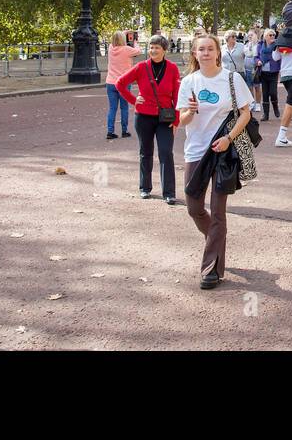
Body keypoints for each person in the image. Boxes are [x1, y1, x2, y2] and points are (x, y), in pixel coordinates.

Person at [177, 33, 253, 289]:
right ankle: (216, 240)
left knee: (218, 211)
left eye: (210, 49)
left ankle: (210, 270)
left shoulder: (232, 79)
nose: (206, 53)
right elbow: (181, 121)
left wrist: (229, 139)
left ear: (218, 52)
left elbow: (245, 113)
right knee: (194, 207)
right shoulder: (189, 81)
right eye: (201, 49)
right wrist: (190, 111)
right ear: (195, 54)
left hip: (223, 152)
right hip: (196, 151)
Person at [117, 34, 182, 202]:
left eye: (157, 48)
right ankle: (145, 188)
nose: (153, 50)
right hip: (143, 116)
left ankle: (169, 192)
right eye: (151, 47)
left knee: (166, 152)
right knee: (145, 152)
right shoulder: (141, 67)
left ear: (164, 50)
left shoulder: (173, 68)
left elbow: (177, 95)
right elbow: (120, 83)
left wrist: (176, 120)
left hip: (165, 118)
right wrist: (133, 100)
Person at [104, 31, 139, 139]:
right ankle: (124, 131)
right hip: (123, 83)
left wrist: (123, 32)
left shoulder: (110, 48)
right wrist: (135, 41)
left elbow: (116, 38)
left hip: (110, 82)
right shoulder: (126, 49)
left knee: (112, 108)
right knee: (124, 107)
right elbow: (138, 51)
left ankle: (110, 131)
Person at [256, 28, 281, 122]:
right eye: (270, 35)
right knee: (265, 94)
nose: (272, 37)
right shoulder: (260, 45)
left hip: (273, 71)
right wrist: (258, 61)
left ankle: (275, 106)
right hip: (263, 72)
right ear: (265, 36)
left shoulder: (276, 45)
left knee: (273, 93)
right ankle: (265, 114)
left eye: (274, 35)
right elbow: (256, 57)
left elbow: (279, 57)